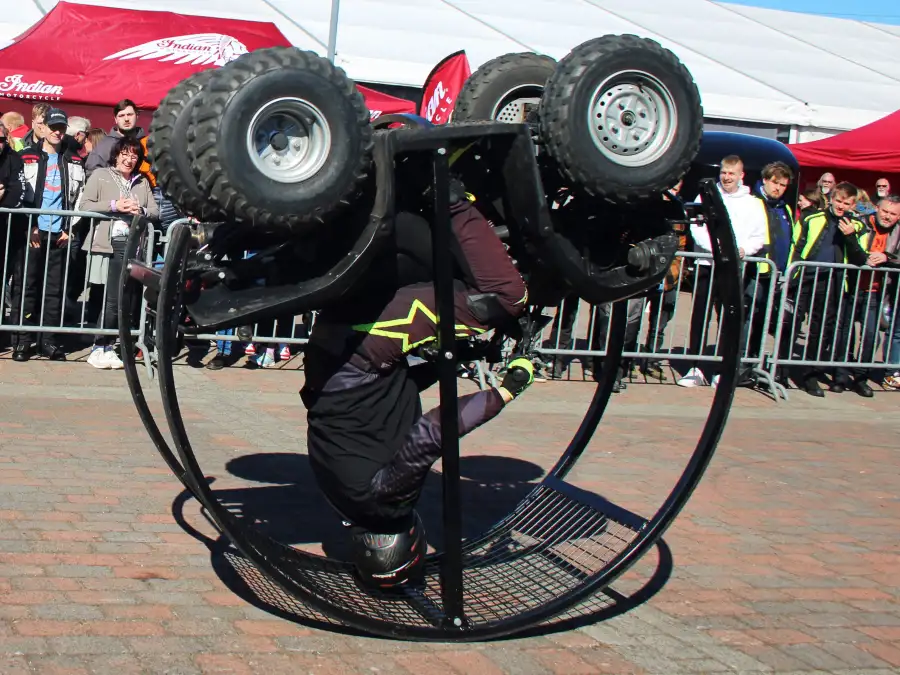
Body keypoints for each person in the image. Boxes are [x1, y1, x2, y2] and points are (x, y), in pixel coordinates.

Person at [300, 184, 533, 587]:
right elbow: (377, 407)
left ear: (410, 543)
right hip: (332, 355)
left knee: (505, 297)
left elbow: (430, 433)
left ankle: (449, 194)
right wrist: (461, 359)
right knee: (439, 286)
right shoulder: (341, 498)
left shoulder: (386, 504)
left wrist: (504, 394)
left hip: (363, 351)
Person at [678, 155, 767, 388]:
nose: (727, 177)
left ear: (741, 175)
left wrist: (742, 250)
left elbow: (759, 237)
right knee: (700, 317)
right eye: (724, 173)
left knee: (728, 320)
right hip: (707, 265)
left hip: (736, 270)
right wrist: (717, 249)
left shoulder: (753, 203)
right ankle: (695, 367)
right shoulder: (706, 196)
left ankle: (722, 370)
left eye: (731, 173)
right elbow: (696, 226)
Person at [10, 108, 86, 362]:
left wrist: (70, 229)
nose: (57, 132)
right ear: (43, 128)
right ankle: (22, 342)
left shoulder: (74, 160)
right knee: (26, 286)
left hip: (60, 234)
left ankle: (49, 342)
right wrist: (29, 224)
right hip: (32, 231)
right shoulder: (26, 156)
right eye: (53, 127)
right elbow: (18, 193)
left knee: (54, 290)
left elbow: (80, 200)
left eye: (61, 128)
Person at [78, 137, 158, 369]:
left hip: (135, 245)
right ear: (116, 154)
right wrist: (115, 206)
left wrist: (139, 209)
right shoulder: (101, 175)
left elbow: (154, 210)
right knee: (111, 298)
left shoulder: (142, 181)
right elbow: (85, 205)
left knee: (125, 298)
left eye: (134, 155)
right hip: (108, 244)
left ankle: (109, 346)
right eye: (125, 153)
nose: (129, 159)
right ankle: (99, 347)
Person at [785, 182, 864, 396]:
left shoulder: (856, 225)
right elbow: (796, 246)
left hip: (833, 282)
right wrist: (790, 276)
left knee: (821, 330)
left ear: (853, 204)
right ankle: (781, 371)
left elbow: (860, 259)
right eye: (838, 201)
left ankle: (810, 376)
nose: (841, 206)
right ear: (831, 199)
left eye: (846, 203)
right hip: (806, 277)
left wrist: (849, 236)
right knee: (791, 323)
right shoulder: (812, 218)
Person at [85, 99, 146, 177]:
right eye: (121, 116)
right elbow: (92, 173)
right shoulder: (104, 145)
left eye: (130, 114)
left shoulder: (147, 143)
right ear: (115, 119)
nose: (126, 119)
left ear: (137, 116)